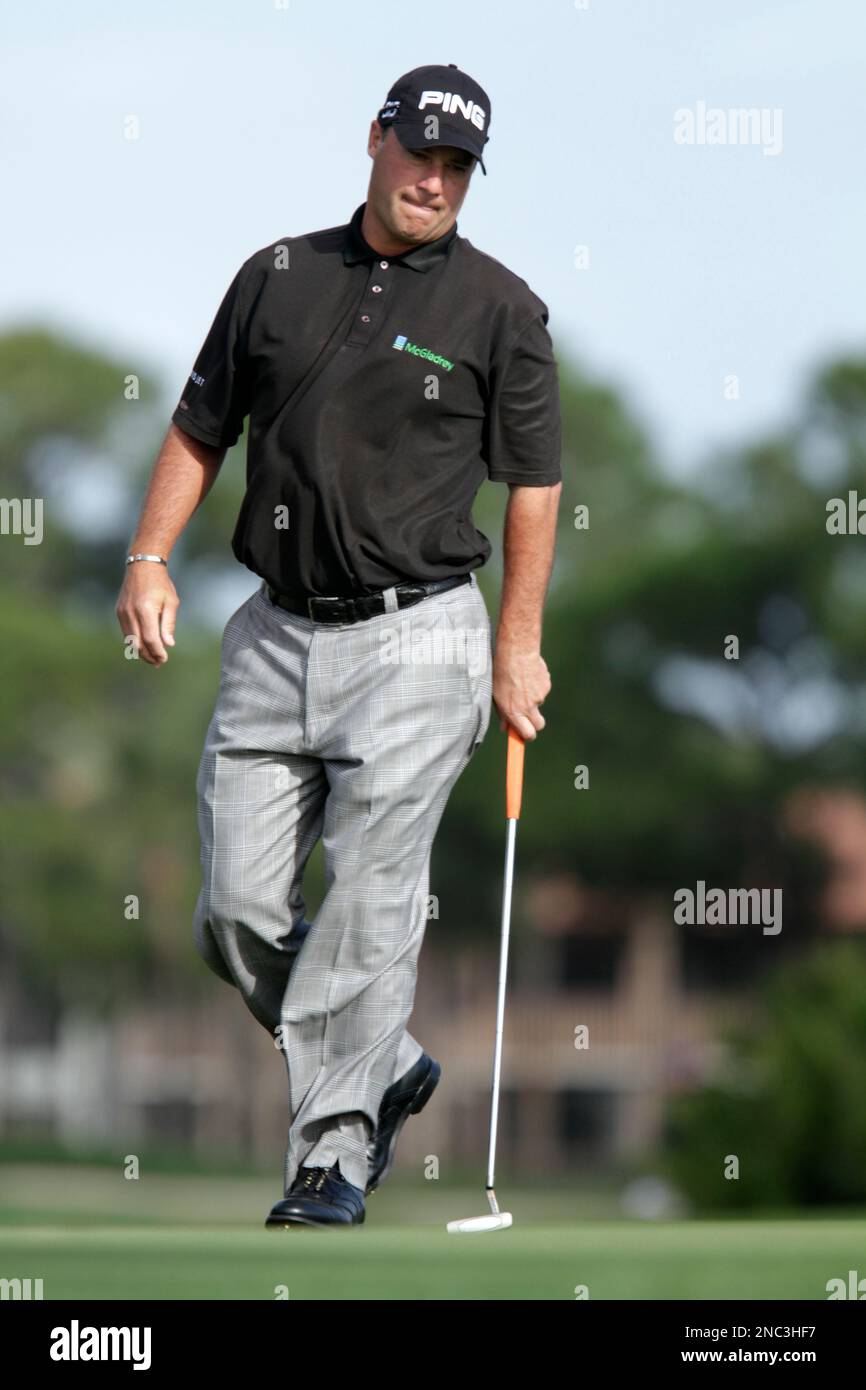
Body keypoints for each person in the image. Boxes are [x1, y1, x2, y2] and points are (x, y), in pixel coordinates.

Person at [117, 62, 562, 1228]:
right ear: (374, 140)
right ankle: (386, 1057)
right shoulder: (275, 275)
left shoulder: (502, 308)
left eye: (457, 165)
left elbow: (532, 489)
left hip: (420, 643)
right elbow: (201, 422)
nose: (434, 179)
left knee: (370, 905)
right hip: (271, 636)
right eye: (419, 152)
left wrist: (517, 645)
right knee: (233, 914)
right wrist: (148, 557)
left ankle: (332, 1160)